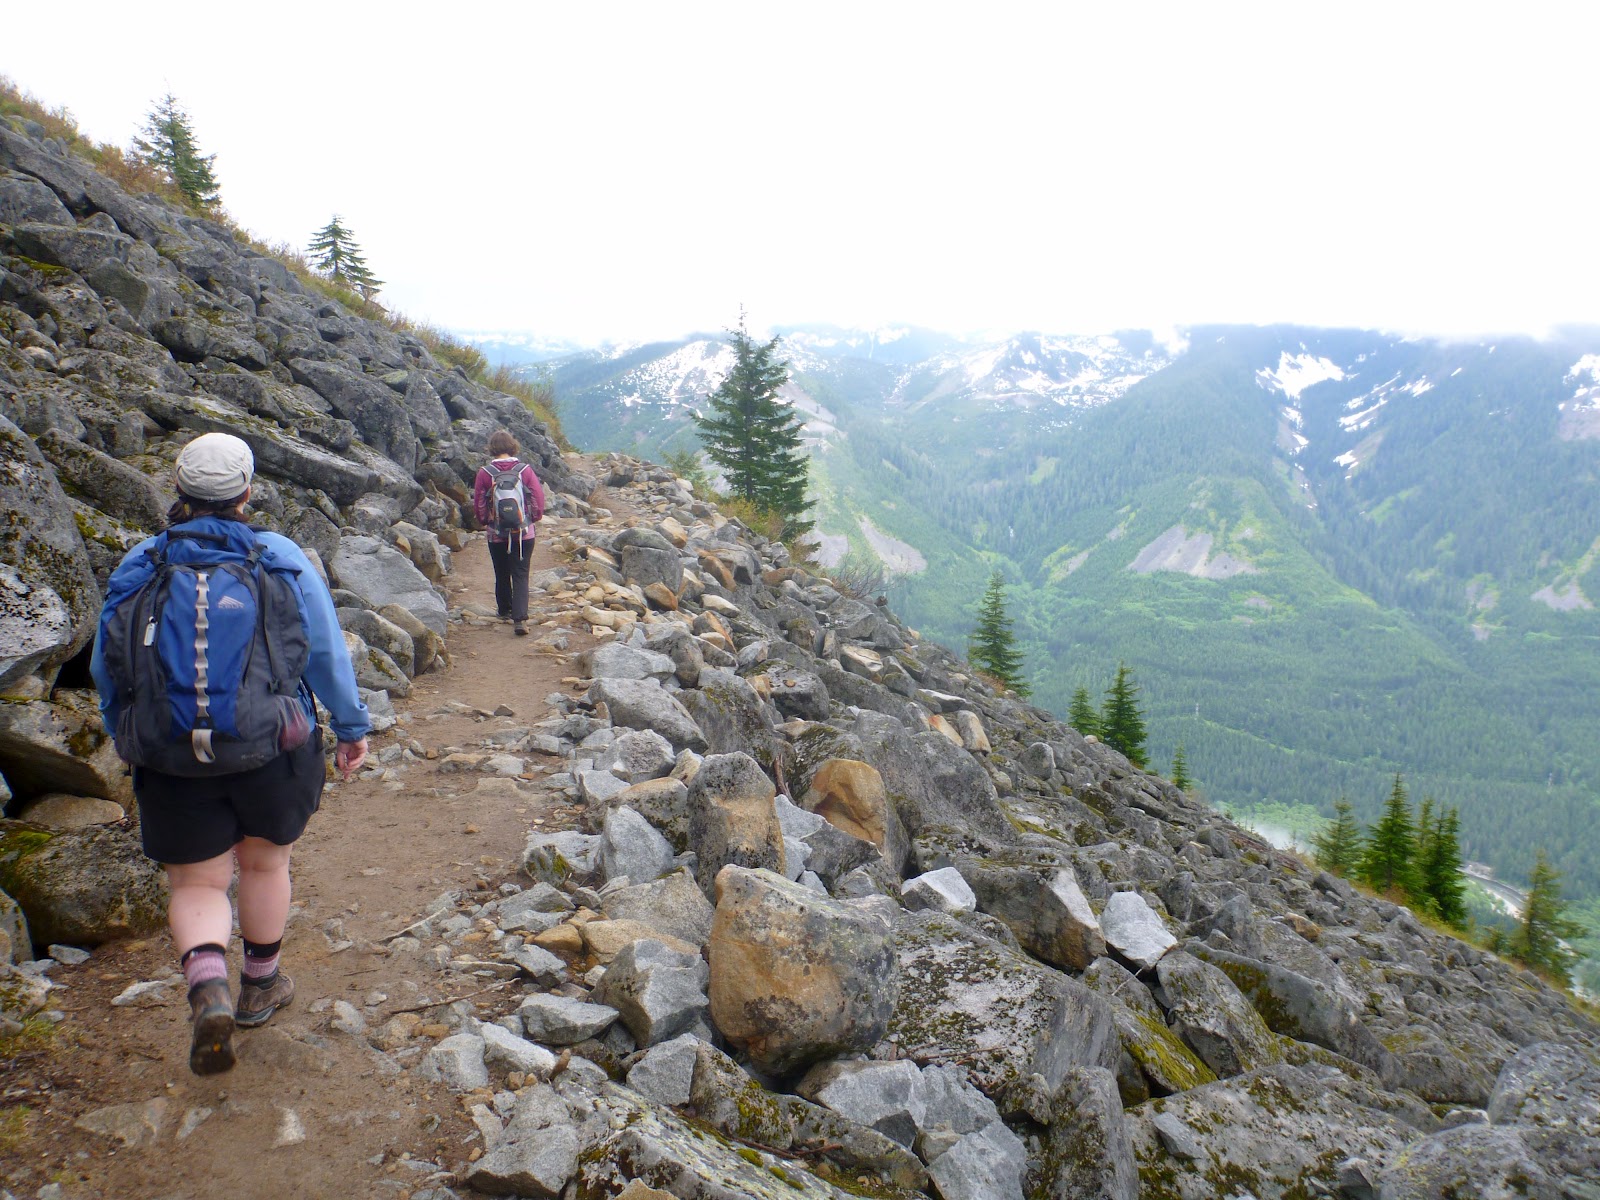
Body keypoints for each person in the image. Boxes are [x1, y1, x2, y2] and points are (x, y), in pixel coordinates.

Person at [91, 432, 371, 1075]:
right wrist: (352, 726)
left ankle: (208, 986)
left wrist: (126, 734)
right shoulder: (279, 556)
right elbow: (323, 652)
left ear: (180, 493)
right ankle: (260, 984)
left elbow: (112, 666)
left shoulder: (141, 562)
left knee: (197, 881)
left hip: (169, 755)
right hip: (270, 745)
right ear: (247, 493)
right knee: (267, 865)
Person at [472, 429, 546, 635]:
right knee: (520, 573)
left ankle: (504, 609)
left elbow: (479, 502)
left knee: (501, 572)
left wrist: (485, 521)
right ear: (513, 445)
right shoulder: (525, 470)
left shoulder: (485, 473)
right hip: (523, 533)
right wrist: (534, 518)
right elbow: (537, 498)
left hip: (497, 533)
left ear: (492, 448)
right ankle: (520, 619)